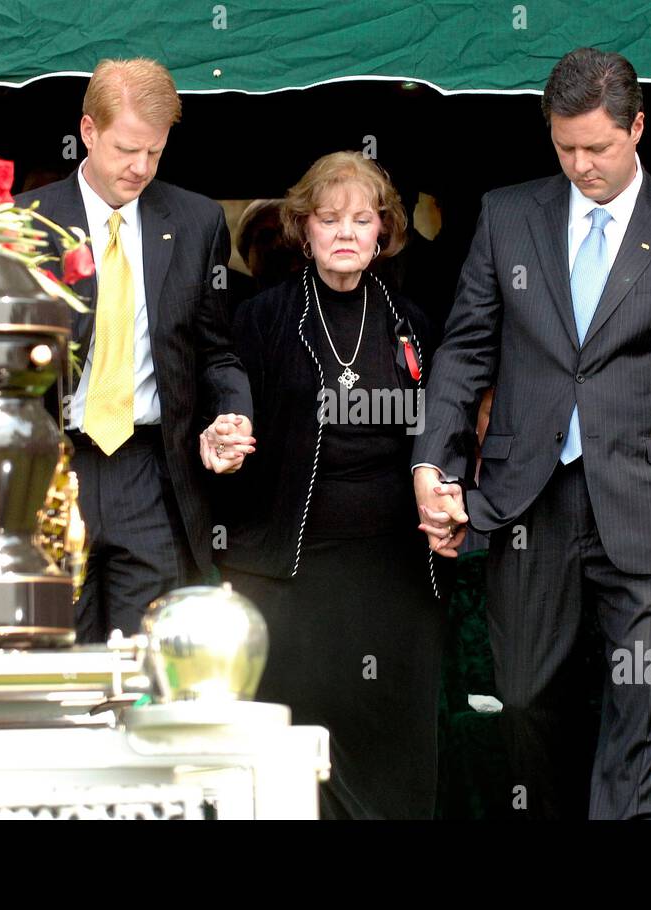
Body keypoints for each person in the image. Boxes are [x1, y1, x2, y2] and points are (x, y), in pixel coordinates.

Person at [412, 47, 651, 820]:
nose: (580, 164)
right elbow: (466, 350)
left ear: (637, 128)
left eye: (597, 147)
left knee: (642, 705)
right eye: (564, 147)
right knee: (525, 698)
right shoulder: (506, 215)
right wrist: (434, 464)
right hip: (528, 498)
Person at [215, 152, 444, 820]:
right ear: (304, 228)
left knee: (390, 744)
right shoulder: (262, 318)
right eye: (329, 218)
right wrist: (222, 440)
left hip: (396, 572)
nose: (345, 231)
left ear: (384, 231)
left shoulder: (415, 325)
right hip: (291, 569)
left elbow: (437, 437)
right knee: (296, 743)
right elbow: (230, 416)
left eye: (361, 218)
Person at [15, 58, 253, 642]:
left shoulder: (197, 222)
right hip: (51, 467)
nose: (140, 168)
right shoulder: (24, 223)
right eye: (126, 149)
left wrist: (231, 415)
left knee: (147, 665)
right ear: (88, 132)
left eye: (155, 152)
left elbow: (215, 352)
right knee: (54, 656)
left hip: (151, 471)